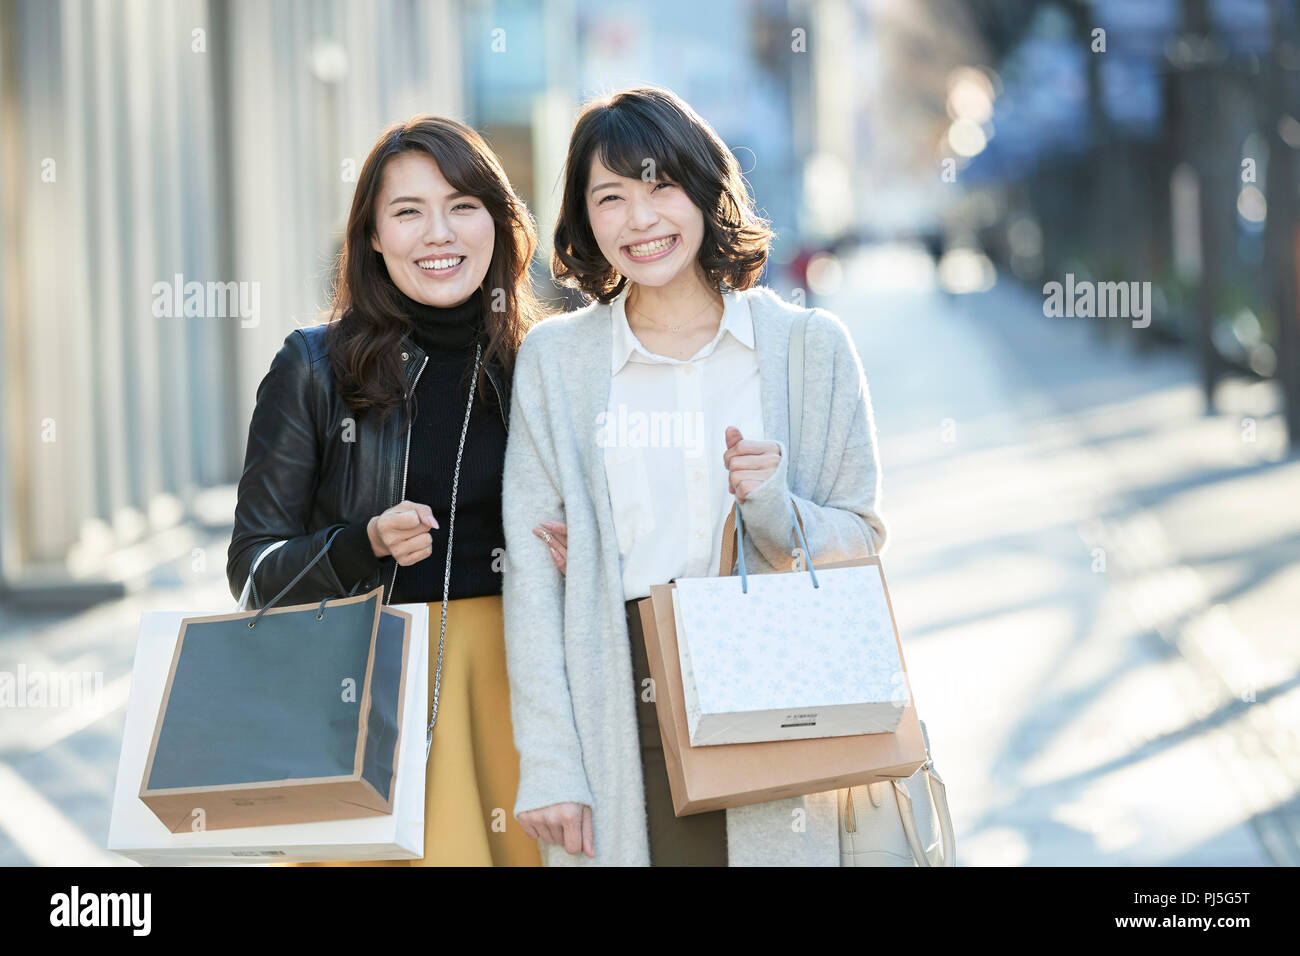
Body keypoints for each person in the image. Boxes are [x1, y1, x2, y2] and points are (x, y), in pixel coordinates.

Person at [500, 86, 889, 866]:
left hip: (783, 686)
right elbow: (533, 581)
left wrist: (778, 510)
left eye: (661, 186)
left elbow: (864, 541)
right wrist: (548, 760)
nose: (640, 220)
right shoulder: (557, 361)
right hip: (625, 695)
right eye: (610, 197)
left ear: (707, 194)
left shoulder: (809, 348)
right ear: (584, 218)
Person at [226, 114, 560, 866]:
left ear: (501, 225)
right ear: (373, 236)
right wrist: (361, 544)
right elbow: (252, 569)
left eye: (463, 206)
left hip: (520, 691)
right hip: (369, 700)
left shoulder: (546, 363)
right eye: (408, 212)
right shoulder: (315, 368)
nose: (438, 234)